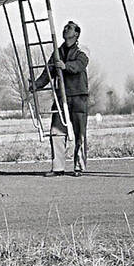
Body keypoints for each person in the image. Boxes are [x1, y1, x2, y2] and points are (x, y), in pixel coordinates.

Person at [31, 20, 90, 176]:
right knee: (56, 131)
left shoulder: (82, 50)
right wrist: (36, 85)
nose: (65, 30)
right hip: (60, 97)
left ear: (76, 33)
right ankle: (57, 167)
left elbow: (80, 65)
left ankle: (79, 167)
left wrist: (65, 66)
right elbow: (48, 73)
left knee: (80, 132)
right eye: (65, 27)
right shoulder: (57, 52)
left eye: (69, 28)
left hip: (78, 96)